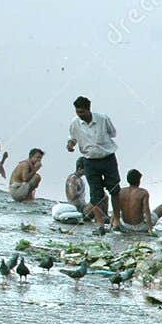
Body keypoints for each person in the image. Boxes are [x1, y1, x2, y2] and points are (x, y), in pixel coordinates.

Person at [66, 95, 120, 229]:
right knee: (96, 194)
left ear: (88, 110)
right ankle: (100, 225)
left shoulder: (103, 119)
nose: (80, 115)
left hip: (108, 158)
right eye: (78, 112)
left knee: (114, 190)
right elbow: (72, 138)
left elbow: (113, 133)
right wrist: (70, 144)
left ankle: (116, 221)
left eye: (82, 112)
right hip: (90, 161)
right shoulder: (75, 123)